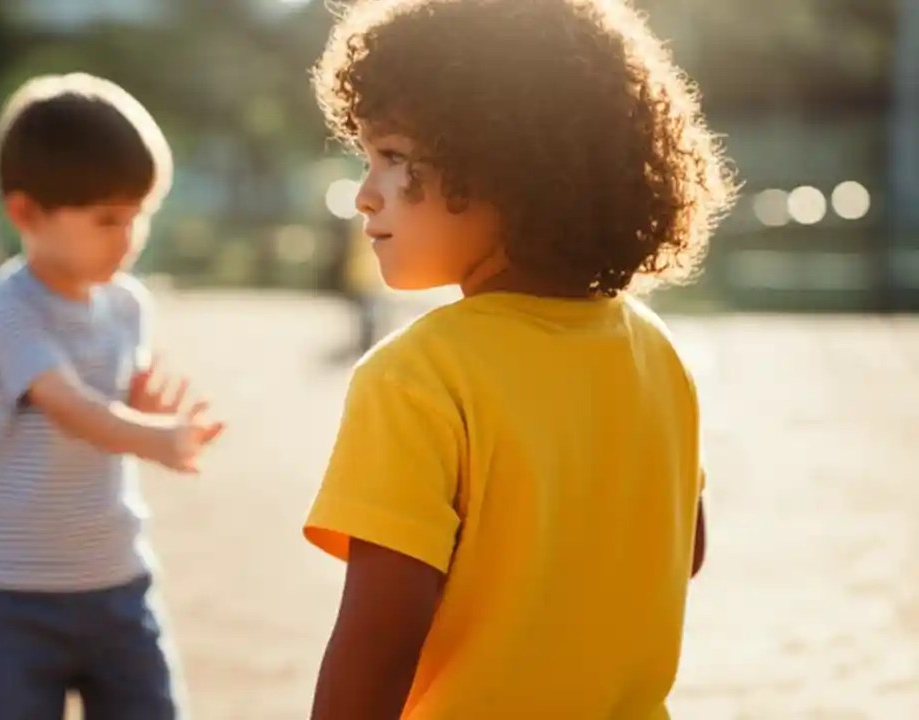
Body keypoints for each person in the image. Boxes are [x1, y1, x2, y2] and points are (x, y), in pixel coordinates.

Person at [302, 1, 737, 717]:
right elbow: (681, 554)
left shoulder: (415, 376)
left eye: (393, 157)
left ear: (505, 168)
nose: (364, 195)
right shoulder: (657, 351)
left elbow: (378, 641)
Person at [0, 73, 223, 720]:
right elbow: (69, 405)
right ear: (25, 213)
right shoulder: (7, 305)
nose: (129, 237)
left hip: (118, 576)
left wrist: (149, 411)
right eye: (108, 219)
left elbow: (116, 401)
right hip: (13, 588)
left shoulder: (129, 304)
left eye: (139, 217)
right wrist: (156, 439)